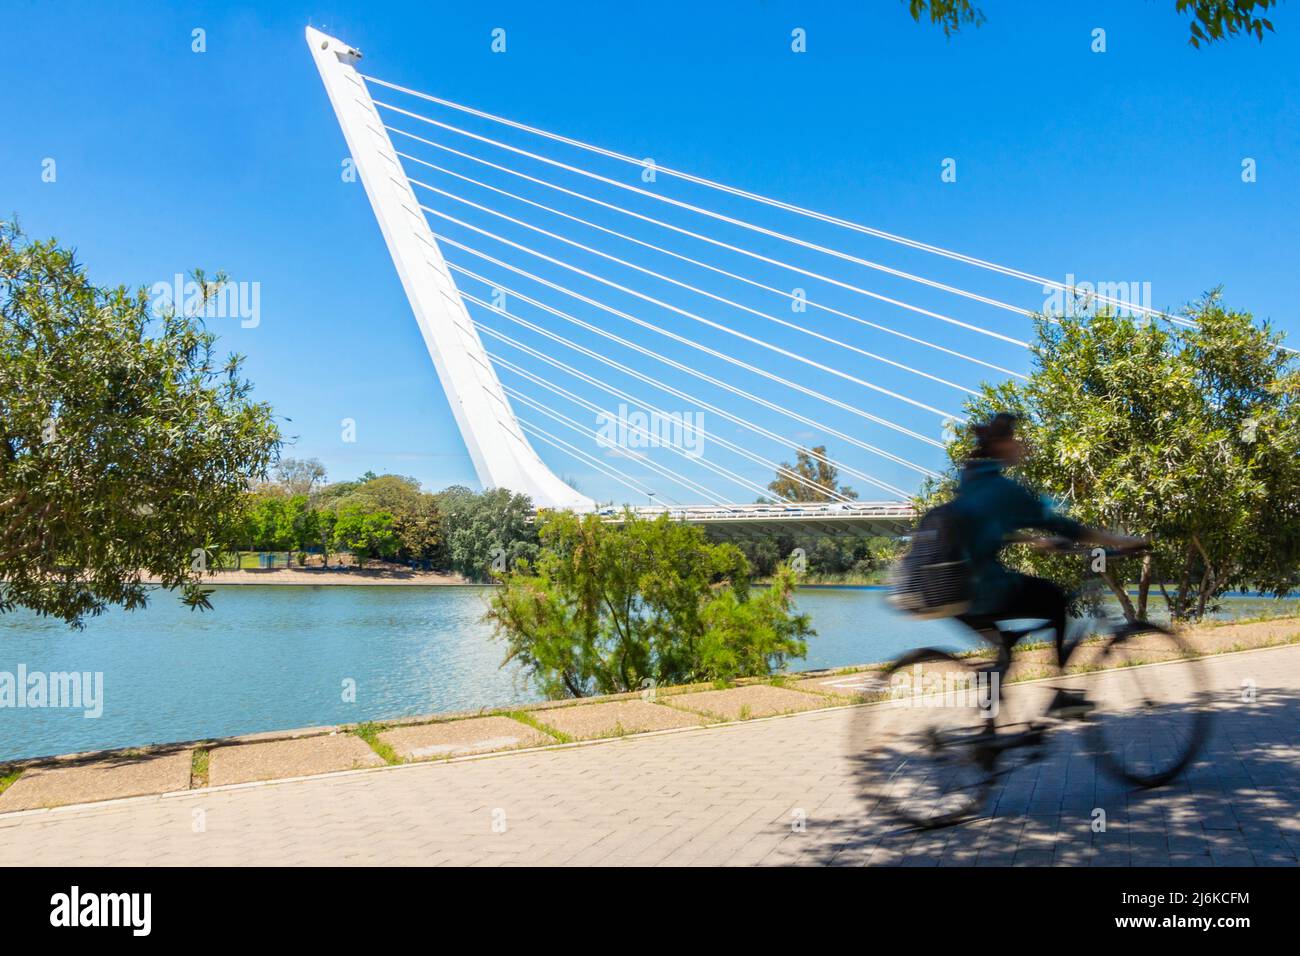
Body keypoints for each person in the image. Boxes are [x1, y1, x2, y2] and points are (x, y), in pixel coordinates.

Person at [949, 412, 1146, 715]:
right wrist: (1123, 541)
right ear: (1001, 445)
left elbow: (981, 530)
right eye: (1016, 439)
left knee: (1004, 654)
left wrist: (1029, 541)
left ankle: (986, 739)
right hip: (984, 589)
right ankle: (1059, 695)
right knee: (1054, 598)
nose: (1021, 446)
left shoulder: (970, 482)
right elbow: (1064, 526)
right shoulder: (1003, 489)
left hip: (955, 592)